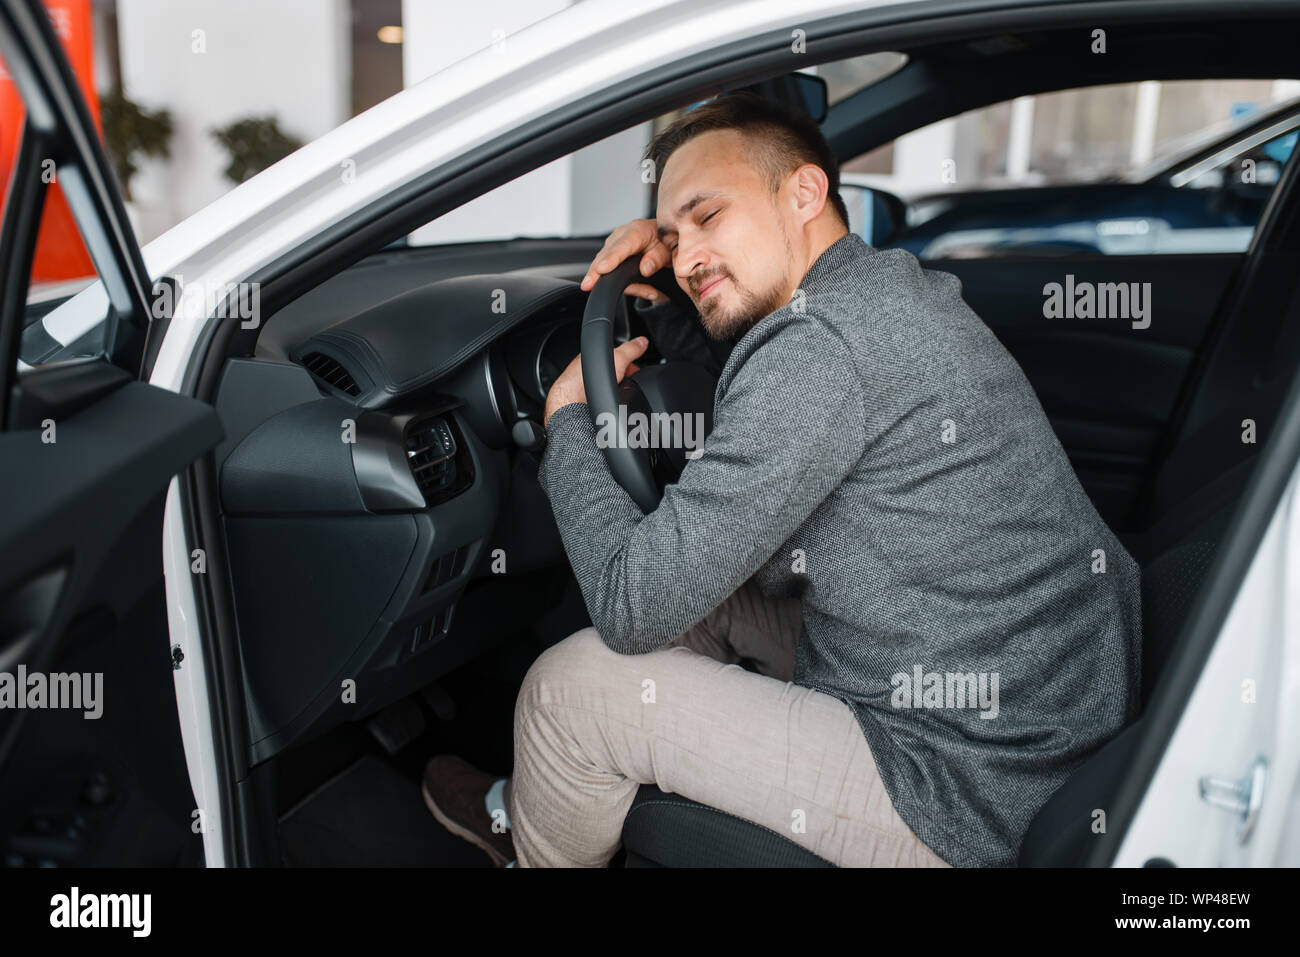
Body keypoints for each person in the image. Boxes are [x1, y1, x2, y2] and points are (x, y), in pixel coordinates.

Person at [421, 92, 1142, 868]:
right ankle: (536, 803)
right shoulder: (872, 292)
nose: (689, 253)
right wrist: (668, 284)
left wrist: (569, 425)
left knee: (570, 689)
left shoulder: (821, 347)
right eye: (671, 234)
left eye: (708, 215)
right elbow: (761, 398)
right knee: (712, 603)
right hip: (1037, 703)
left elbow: (632, 605)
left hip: (969, 777)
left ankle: (528, 836)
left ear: (804, 191)